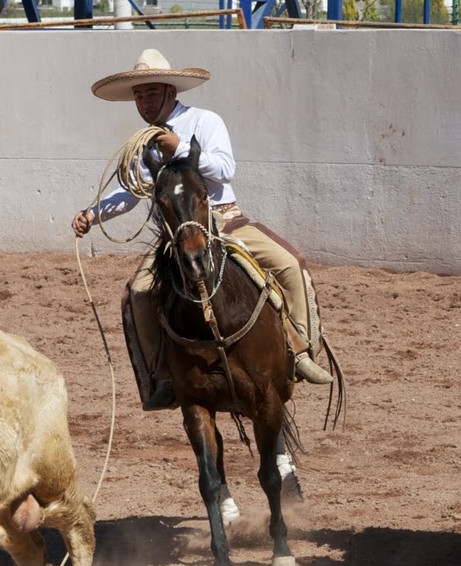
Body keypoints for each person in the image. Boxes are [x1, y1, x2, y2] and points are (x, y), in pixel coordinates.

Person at [73, 49, 332, 411]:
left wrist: (179, 148)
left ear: (170, 91)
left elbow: (225, 169)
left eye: (151, 93)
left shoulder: (205, 121)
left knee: (291, 263)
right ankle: (163, 376)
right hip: (176, 234)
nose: (144, 102)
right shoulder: (142, 143)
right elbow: (130, 191)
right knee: (139, 292)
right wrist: (92, 213)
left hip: (225, 221)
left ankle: (300, 351)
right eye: (139, 95)